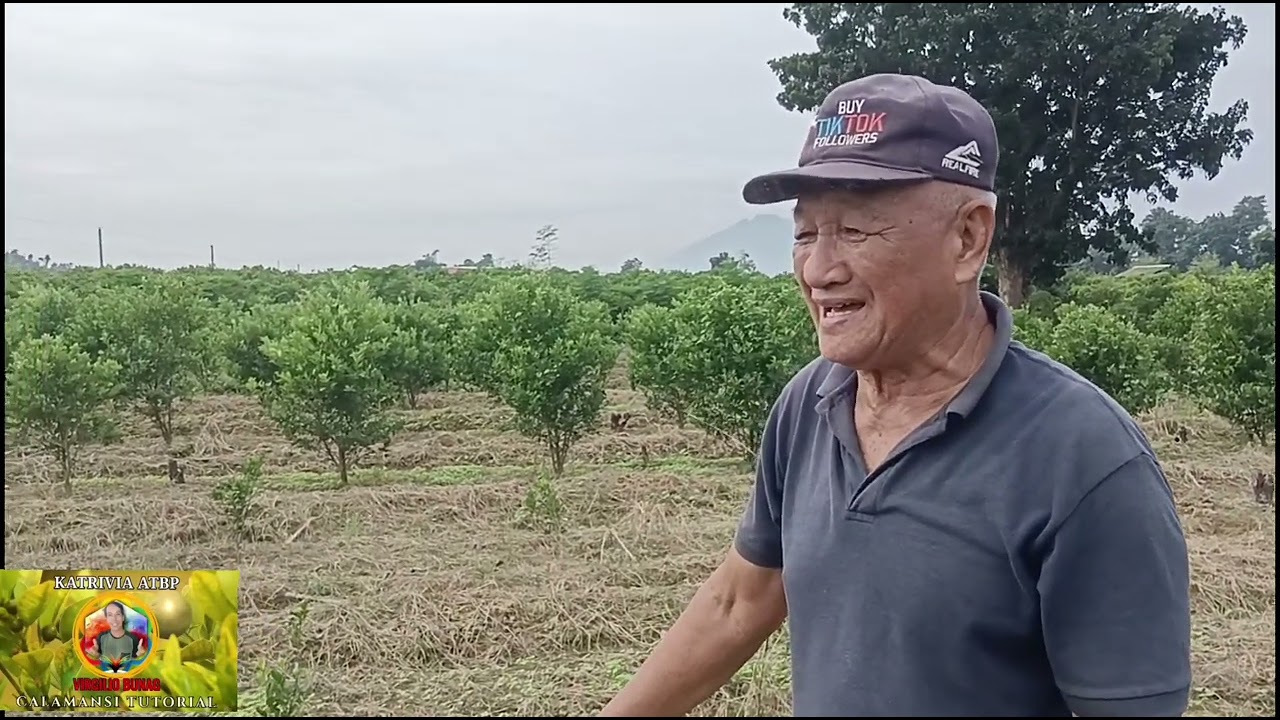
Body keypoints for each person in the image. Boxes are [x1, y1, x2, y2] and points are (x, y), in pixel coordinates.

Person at [600, 73, 1192, 717]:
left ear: (968, 238)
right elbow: (739, 601)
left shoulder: (1085, 459)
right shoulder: (809, 403)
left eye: (856, 231)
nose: (819, 270)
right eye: (805, 233)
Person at [86, 600, 148, 669]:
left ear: (123, 617)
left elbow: (133, 662)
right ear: (107, 619)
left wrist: (139, 655)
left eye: (118, 614)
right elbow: (100, 661)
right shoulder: (101, 637)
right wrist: (95, 655)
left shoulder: (133, 639)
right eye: (110, 615)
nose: (114, 619)